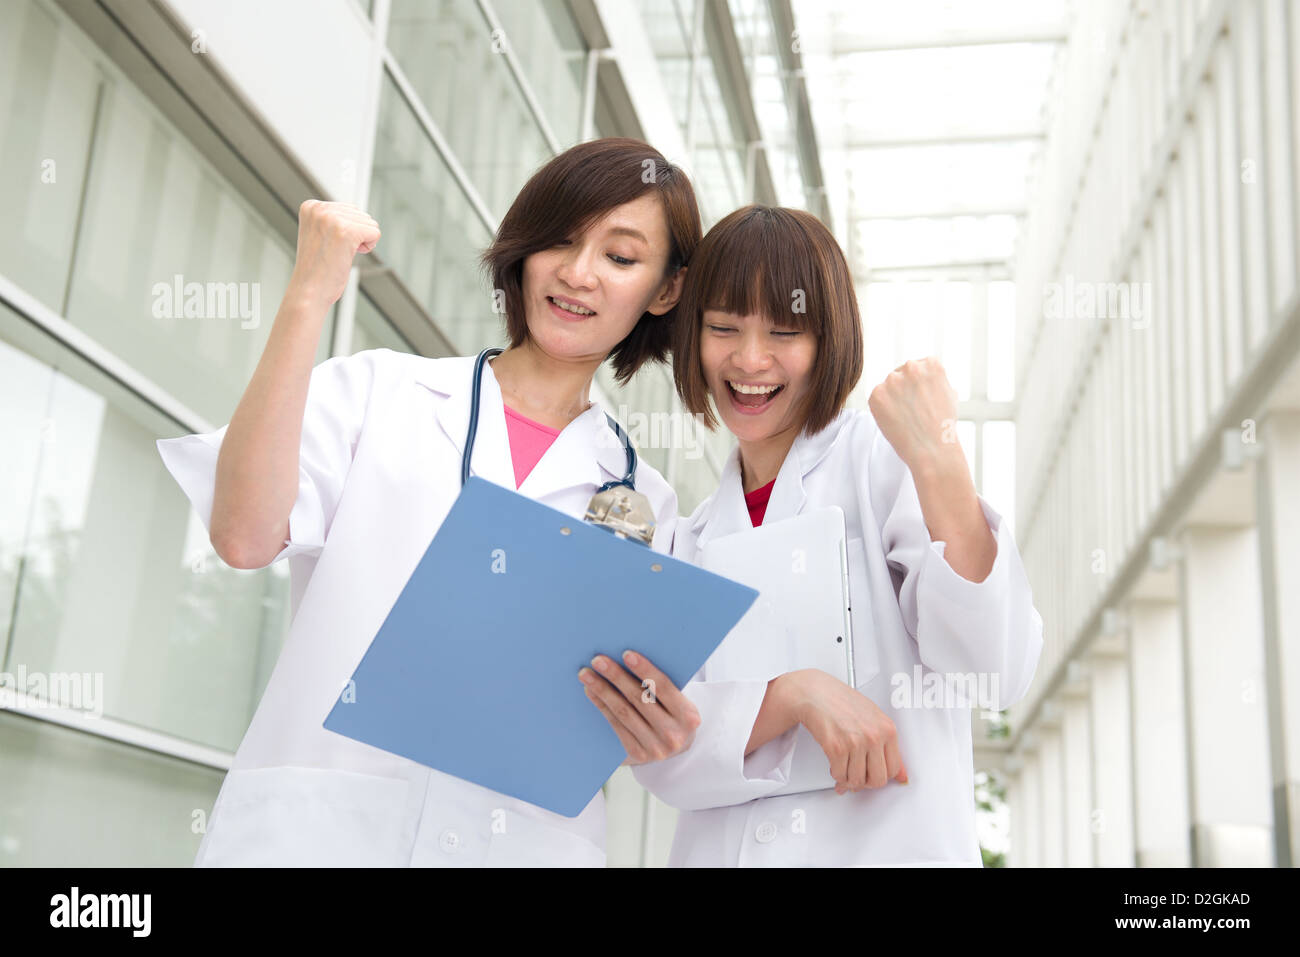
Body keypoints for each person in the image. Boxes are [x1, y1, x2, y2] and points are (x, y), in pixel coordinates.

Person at [157, 138, 704, 866]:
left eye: (621, 257)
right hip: (320, 833)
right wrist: (308, 296)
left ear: (665, 291)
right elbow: (243, 535)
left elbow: (616, 713)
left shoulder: (646, 502)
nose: (577, 274)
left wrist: (657, 733)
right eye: (562, 241)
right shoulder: (380, 393)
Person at [626, 205, 1043, 865]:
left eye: (784, 332)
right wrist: (794, 695)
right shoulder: (695, 533)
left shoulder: (881, 465)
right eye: (723, 328)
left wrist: (938, 460)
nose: (749, 359)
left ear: (829, 342)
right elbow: (660, 751)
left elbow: (995, 667)